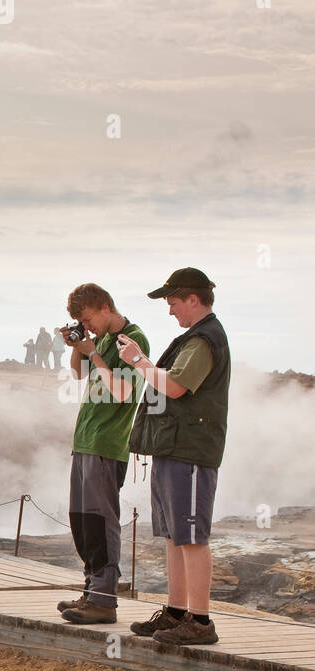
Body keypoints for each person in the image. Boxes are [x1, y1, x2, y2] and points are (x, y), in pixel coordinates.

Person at [117, 267, 231, 646]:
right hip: (176, 448)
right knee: (174, 535)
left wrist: (139, 361)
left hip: (190, 451)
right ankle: (177, 612)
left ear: (193, 299)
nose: (170, 311)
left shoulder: (203, 340)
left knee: (192, 536)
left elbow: (178, 388)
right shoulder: (196, 337)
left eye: (174, 302)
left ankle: (199, 623)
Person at [57, 283, 149, 626]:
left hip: (107, 444)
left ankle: (103, 601)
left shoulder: (132, 339)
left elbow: (123, 392)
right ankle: (92, 591)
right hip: (86, 440)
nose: (87, 325)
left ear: (104, 306)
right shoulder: (103, 341)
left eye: (87, 318)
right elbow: (80, 375)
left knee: (101, 521)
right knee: (82, 521)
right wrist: (79, 348)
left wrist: (93, 351)